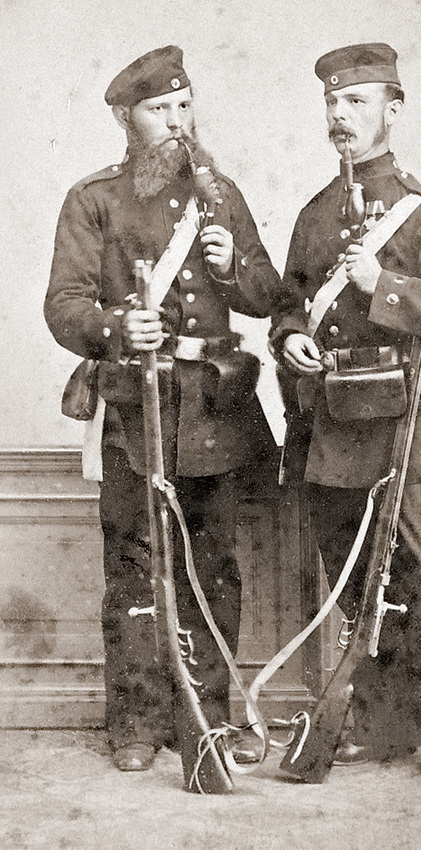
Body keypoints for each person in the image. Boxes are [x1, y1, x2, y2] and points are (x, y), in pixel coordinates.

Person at [270, 43, 421, 790]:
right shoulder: (313, 215)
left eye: (357, 102)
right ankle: (374, 728)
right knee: (352, 588)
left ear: (391, 110)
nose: (339, 116)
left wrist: (385, 285)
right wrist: (291, 338)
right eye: (332, 103)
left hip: (402, 428)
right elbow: (287, 306)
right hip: (330, 428)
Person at [45, 46, 280, 771]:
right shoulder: (94, 199)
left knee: (214, 565)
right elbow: (64, 305)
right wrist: (120, 327)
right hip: (135, 406)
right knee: (135, 564)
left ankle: (204, 716)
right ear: (126, 117)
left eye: (184, 105)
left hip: (213, 408)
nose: (177, 121)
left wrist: (232, 268)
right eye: (158, 109)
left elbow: (267, 295)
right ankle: (136, 724)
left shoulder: (221, 194)